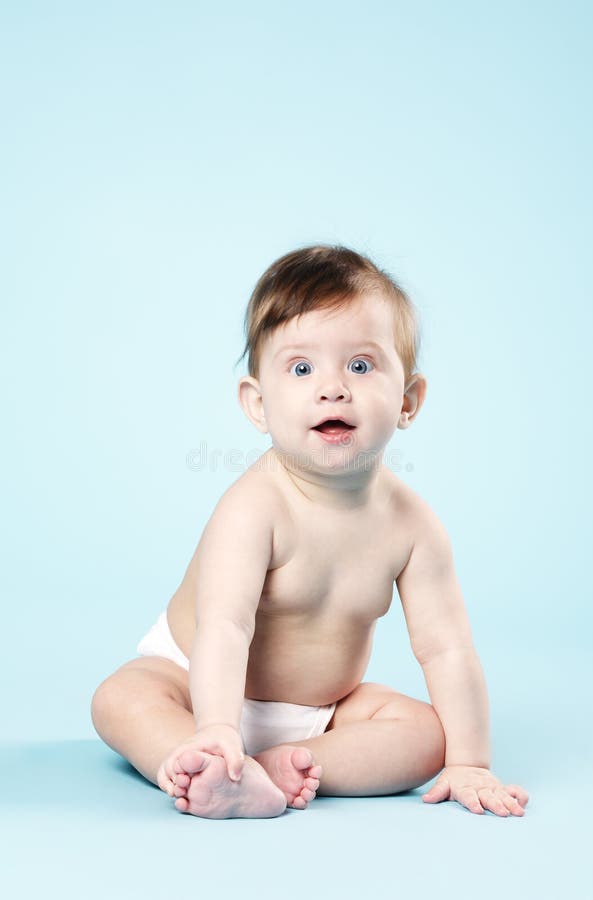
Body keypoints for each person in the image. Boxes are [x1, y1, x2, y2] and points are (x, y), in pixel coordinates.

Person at [91, 244, 529, 820]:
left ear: (409, 400)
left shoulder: (413, 527)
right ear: (257, 403)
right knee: (121, 698)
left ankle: (282, 764)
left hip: (323, 709)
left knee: (426, 735)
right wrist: (218, 725)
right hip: (193, 680)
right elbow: (224, 625)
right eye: (301, 369)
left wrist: (469, 759)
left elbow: (446, 647)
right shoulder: (254, 508)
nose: (333, 388)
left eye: (361, 365)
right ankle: (201, 758)